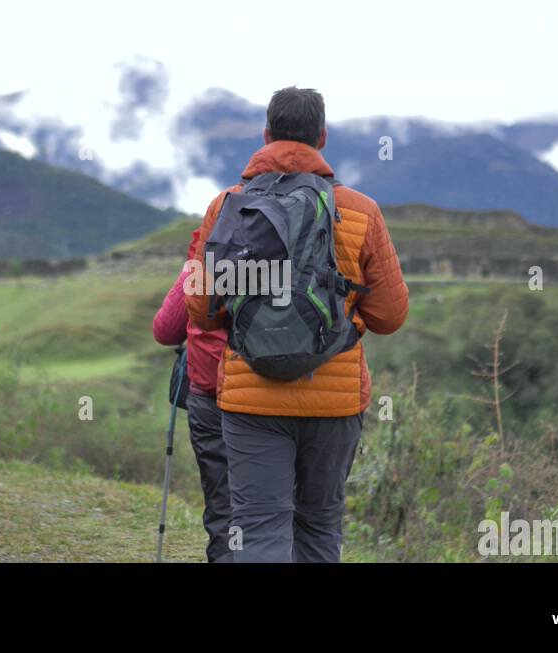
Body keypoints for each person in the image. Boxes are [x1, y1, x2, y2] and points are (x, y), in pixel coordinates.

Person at [185, 87, 409, 563]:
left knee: (258, 527)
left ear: (265, 135)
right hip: (334, 400)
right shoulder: (361, 211)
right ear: (322, 138)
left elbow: (202, 309)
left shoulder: (226, 205)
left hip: (251, 399)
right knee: (319, 527)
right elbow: (390, 317)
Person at [152, 229, 231, 562]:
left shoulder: (210, 246)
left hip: (215, 391)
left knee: (224, 503)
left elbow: (166, 329)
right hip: (296, 391)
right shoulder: (316, 232)